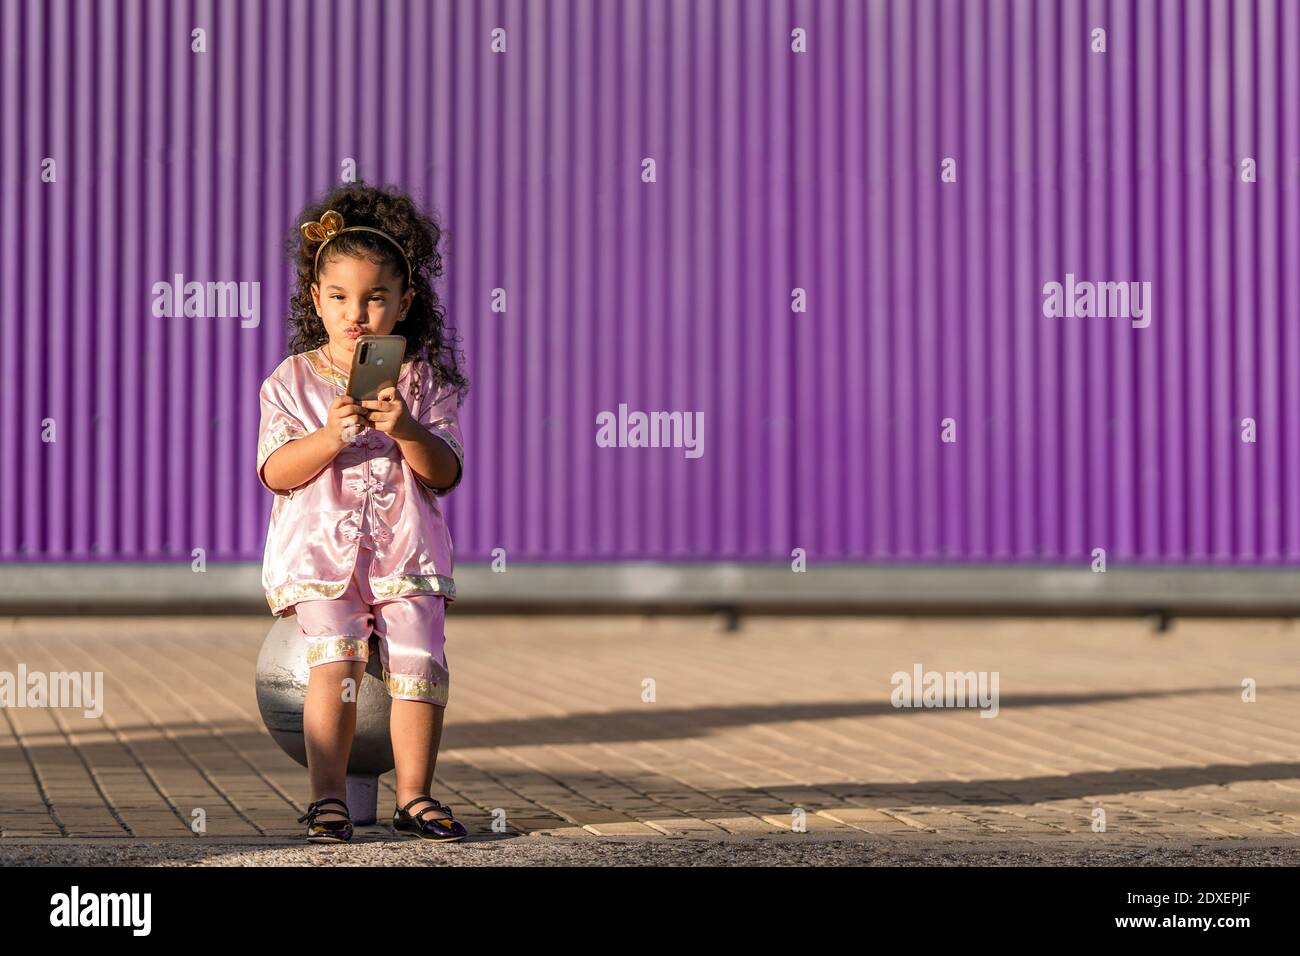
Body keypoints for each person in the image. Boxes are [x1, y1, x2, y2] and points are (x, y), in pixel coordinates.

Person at [256, 181, 470, 844]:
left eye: (376, 298)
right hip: (324, 558)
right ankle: (328, 799)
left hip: (406, 552)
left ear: (403, 303)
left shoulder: (422, 382)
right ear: (316, 300)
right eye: (341, 297)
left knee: (419, 658)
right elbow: (274, 472)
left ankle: (415, 796)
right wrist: (329, 436)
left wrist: (406, 428)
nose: (358, 314)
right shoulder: (291, 381)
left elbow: (446, 472)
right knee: (336, 658)